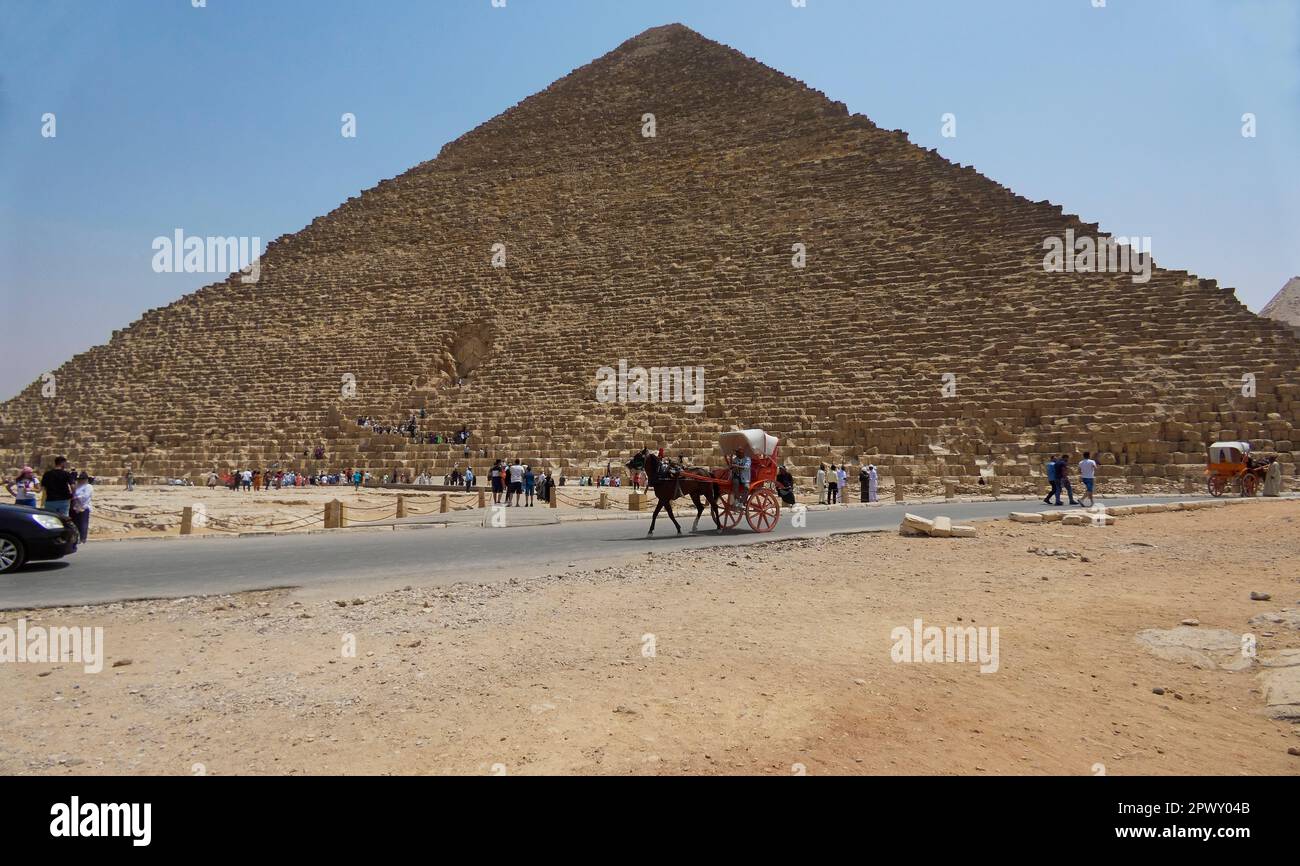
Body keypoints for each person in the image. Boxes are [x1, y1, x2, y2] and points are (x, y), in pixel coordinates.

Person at [71, 472, 93, 543]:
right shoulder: (77, 486)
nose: (82, 480)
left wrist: (76, 497)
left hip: (84, 506)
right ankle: (76, 538)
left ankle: (83, 538)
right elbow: (73, 494)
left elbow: (86, 496)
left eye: (83, 479)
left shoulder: (88, 486)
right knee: (75, 523)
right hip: (75, 506)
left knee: (83, 523)